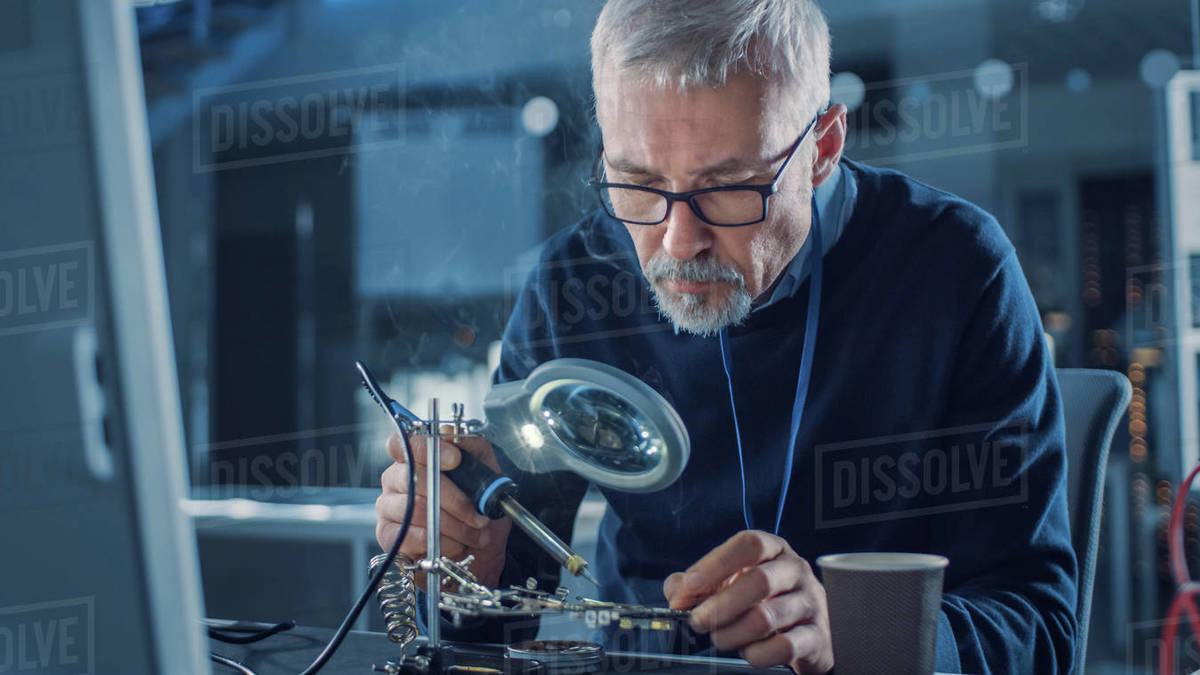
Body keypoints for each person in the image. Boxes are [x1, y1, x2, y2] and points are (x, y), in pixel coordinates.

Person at [375, 1, 1077, 673]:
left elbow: (1041, 631)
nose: (679, 243)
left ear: (823, 147)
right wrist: (463, 556)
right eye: (638, 183)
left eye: (729, 188)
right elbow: (500, 611)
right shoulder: (576, 284)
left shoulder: (955, 270)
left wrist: (855, 635)